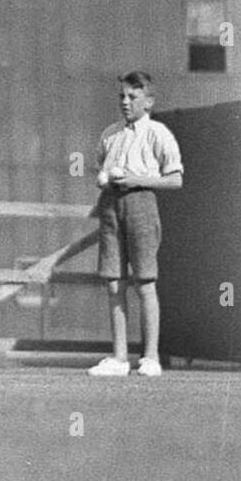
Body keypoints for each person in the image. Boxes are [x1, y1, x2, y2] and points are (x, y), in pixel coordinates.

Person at [88, 70, 183, 378]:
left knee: (144, 282)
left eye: (133, 97)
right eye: (122, 97)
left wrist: (135, 179)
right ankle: (119, 357)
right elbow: (99, 168)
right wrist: (105, 179)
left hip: (142, 203)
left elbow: (175, 179)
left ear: (148, 101)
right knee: (114, 281)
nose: (126, 102)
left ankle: (151, 357)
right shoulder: (110, 133)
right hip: (111, 206)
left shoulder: (158, 133)